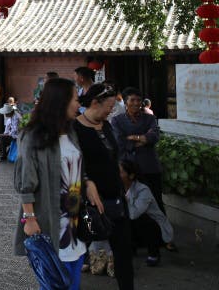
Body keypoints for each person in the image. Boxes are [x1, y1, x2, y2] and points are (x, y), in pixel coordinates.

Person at [14, 78, 100, 289]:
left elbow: (77, 168)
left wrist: (87, 182)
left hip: (75, 227)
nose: (78, 104)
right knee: (54, 284)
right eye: (75, 99)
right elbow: (25, 182)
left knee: (73, 283)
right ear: (60, 101)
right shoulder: (32, 137)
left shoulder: (71, 133)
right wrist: (30, 218)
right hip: (50, 227)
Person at [73, 83, 134, 290]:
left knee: (123, 251)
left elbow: (113, 157)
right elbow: (71, 163)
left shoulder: (106, 126)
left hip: (115, 198)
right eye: (109, 106)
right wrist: (86, 181)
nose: (111, 110)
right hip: (89, 204)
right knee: (80, 248)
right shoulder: (75, 128)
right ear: (94, 103)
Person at [111, 87, 165, 216]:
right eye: (132, 100)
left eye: (139, 100)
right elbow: (120, 142)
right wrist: (143, 139)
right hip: (128, 168)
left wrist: (134, 137)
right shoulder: (117, 120)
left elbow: (154, 136)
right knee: (130, 204)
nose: (136, 103)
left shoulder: (149, 118)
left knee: (156, 201)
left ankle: (160, 227)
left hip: (150, 166)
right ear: (125, 102)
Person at [120, 159, 174, 267]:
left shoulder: (143, 190)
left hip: (157, 230)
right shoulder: (120, 188)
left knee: (142, 218)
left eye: (120, 172)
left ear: (131, 175)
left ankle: (154, 254)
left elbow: (134, 214)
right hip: (139, 230)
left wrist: (125, 201)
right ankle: (131, 248)